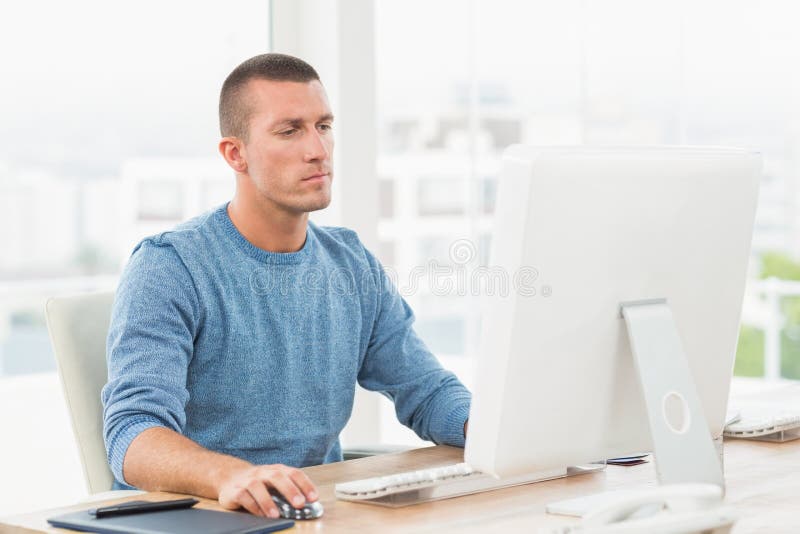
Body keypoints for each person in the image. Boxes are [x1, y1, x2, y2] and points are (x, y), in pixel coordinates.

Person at [101, 53, 471, 519]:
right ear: (235, 154)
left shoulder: (350, 263)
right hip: (193, 518)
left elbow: (427, 390)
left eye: (324, 126)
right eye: (290, 130)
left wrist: (488, 425)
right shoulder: (170, 266)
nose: (317, 149)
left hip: (304, 515)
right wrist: (229, 475)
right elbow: (133, 435)